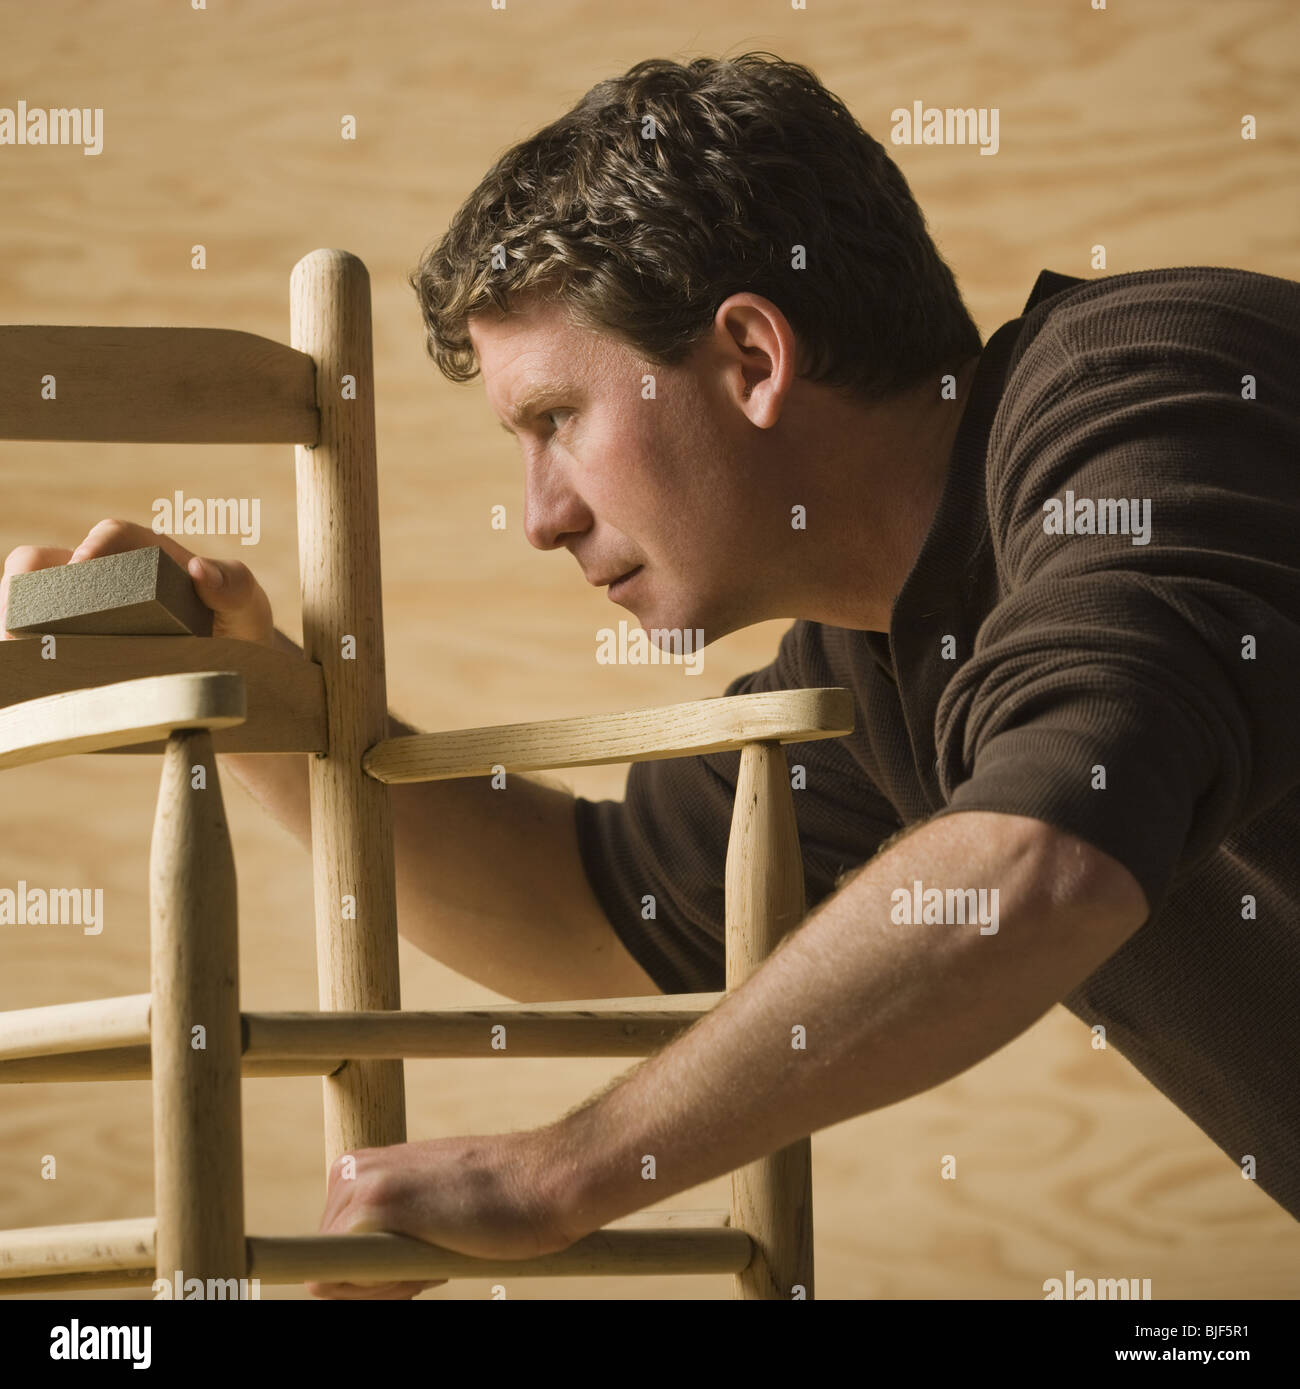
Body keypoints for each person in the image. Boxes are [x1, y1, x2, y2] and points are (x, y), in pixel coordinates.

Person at [4, 53, 1297, 1299]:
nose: (539, 517)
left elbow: (1048, 852)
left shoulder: (1157, 392)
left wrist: (557, 1173)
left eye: (555, 419)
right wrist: (255, 699)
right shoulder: (886, 665)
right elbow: (587, 909)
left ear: (752, 358)